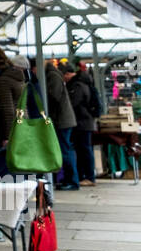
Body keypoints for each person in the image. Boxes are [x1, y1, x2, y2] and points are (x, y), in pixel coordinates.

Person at [36, 57, 78, 190]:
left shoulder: (52, 76)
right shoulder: (53, 74)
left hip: (62, 120)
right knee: (65, 149)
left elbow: (54, 96)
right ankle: (69, 179)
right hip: (63, 119)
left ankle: (72, 181)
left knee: (65, 150)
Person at [63, 59, 98, 187]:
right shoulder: (84, 82)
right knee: (84, 149)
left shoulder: (77, 85)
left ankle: (89, 177)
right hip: (86, 121)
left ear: (68, 74)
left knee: (84, 150)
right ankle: (87, 176)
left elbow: (73, 103)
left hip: (82, 122)